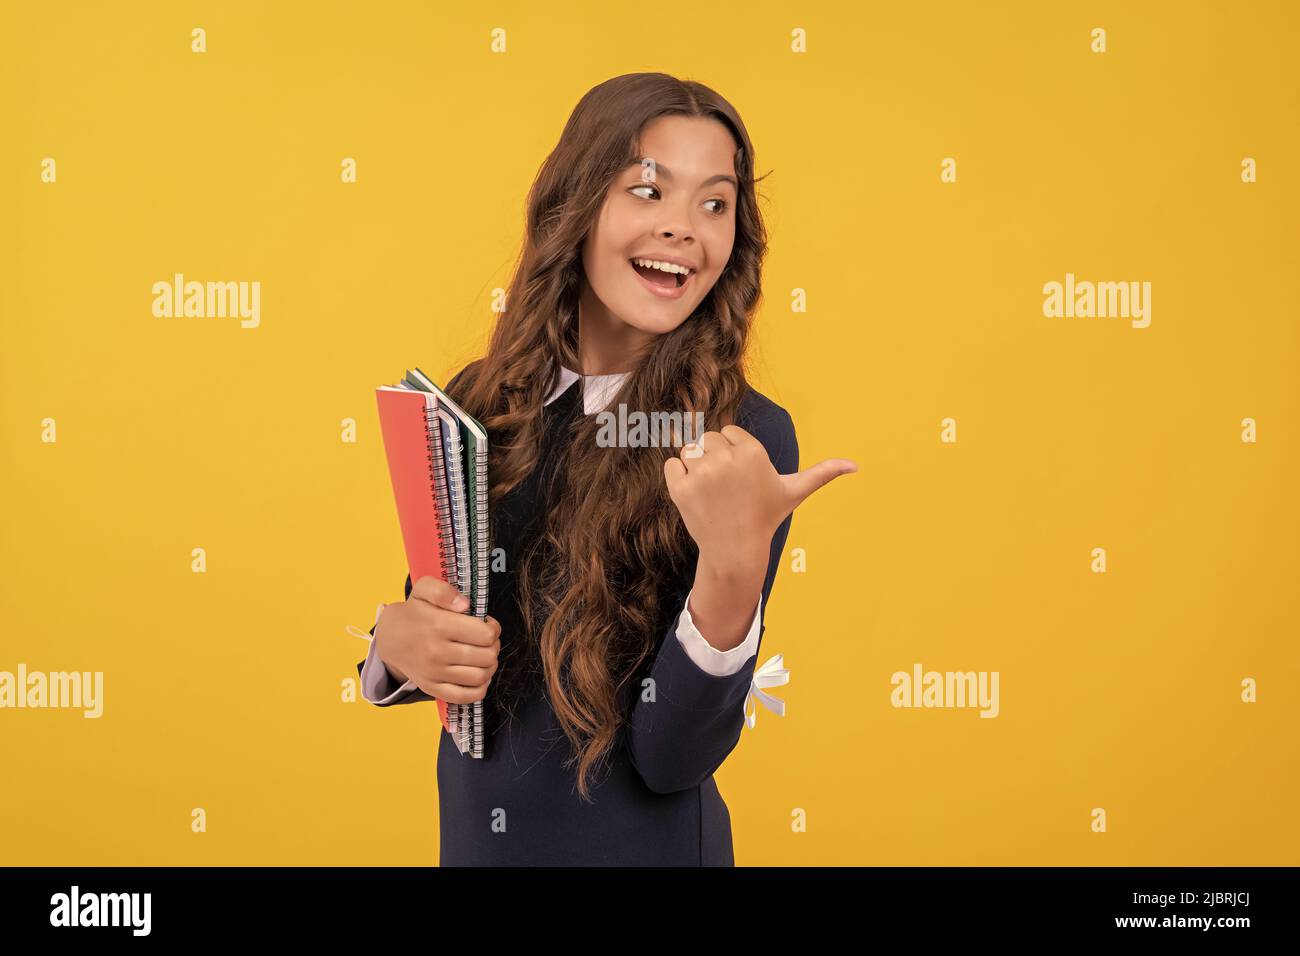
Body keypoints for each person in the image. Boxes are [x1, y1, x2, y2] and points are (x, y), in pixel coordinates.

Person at [358, 72, 856, 865]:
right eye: (650, 191)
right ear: (576, 204)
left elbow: (674, 761)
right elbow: (439, 621)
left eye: (715, 203)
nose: (686, 229)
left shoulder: (741, 440)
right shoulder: (474, 404)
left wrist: (733, 571)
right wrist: (394, 648)